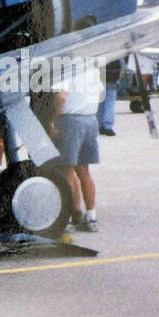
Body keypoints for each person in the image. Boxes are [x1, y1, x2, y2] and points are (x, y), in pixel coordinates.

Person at [53, 61, 102, 232]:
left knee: (66, 171)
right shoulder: (92, 66)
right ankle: (91, 217)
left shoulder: (65, 65)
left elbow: (60, 95)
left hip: (70, 120)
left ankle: (70, 214)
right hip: (90, 118)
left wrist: (52, 118)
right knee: (84, 171)